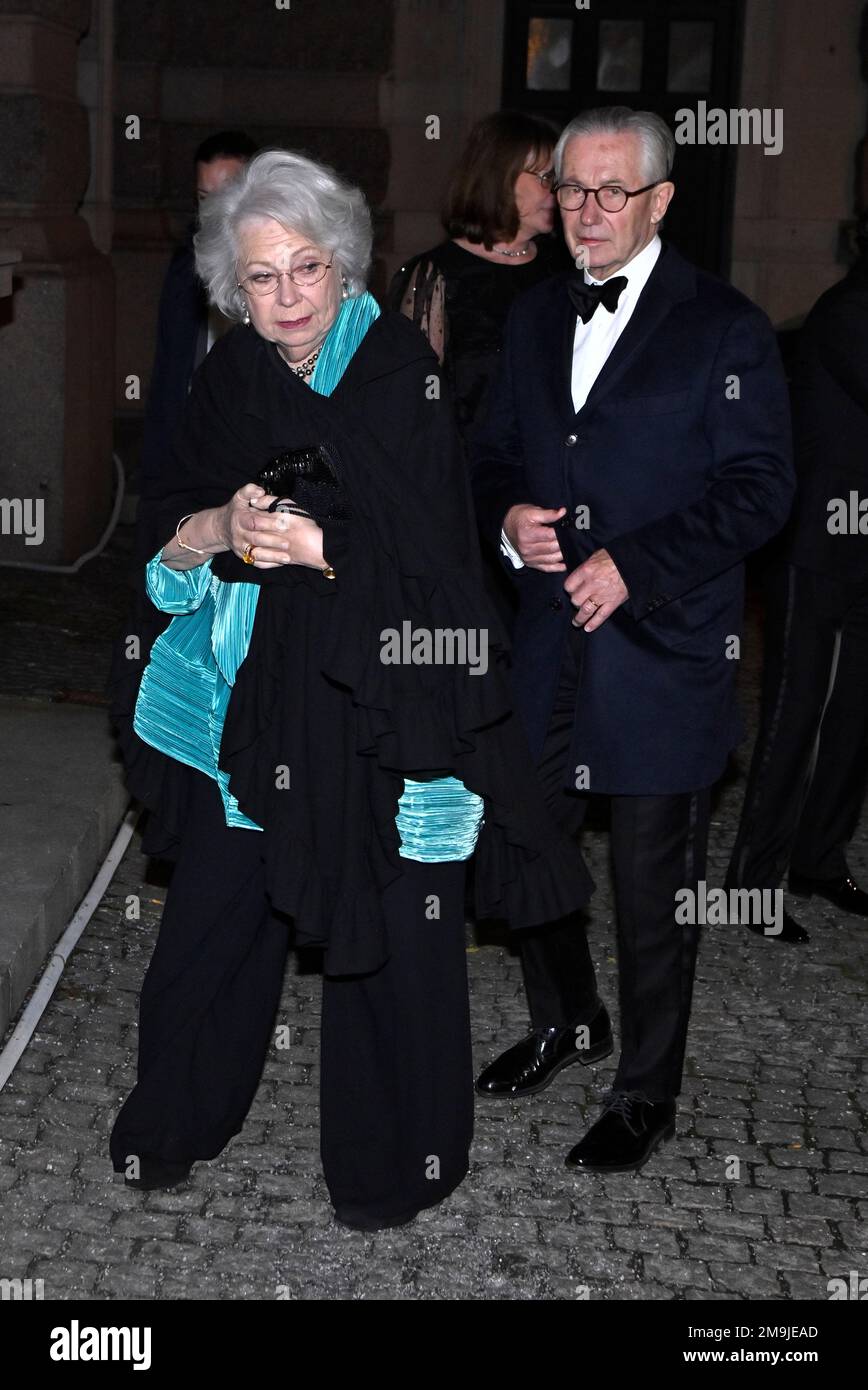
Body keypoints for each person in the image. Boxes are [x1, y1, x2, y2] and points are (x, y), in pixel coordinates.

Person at [108, 149, 593, 1230]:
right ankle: (174, 1120)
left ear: (344, 266)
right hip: (244, 706)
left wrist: (327, 551)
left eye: (306, 270)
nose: (285, 299)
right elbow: (167, 528)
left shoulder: (395, 379)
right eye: (260, 277)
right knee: (212, 928)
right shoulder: (231, 376)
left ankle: (396, 1160)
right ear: (232, 284)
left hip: (376, 710)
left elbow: (434, 561)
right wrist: (218, 531)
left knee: (391, 932)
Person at [470, 106, 795, 1174]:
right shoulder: (529, 317)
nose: (589, 212)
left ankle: (645, 1089)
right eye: (572, 189)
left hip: (662, 653)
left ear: (659, 201)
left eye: (614, 192)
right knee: (527, 846)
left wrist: (639, 564)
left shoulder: (726, 328)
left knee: (654, 893)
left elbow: (761, 490)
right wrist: (507, 514)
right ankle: (568, 1018)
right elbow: (496, 455)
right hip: (546, 642)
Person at [725, 243, 868, 943]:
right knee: (795, 715)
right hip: (817, 548)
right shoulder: (850, 311)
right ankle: (753, 881)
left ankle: (818, 858)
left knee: (853, 716)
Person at [387, 111, 571, 436]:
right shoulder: (438, 274)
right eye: (545, 177)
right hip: (467, 473)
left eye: (559, 179)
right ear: (500, 177)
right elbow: (411, 401)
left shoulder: (564, 269)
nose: (555, 191)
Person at [137, 130, 258, 563]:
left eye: (228, 194)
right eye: (205, 197)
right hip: (186, 460)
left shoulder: (288, 281)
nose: (216, 210)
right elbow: (169, 369)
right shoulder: (185, 265)